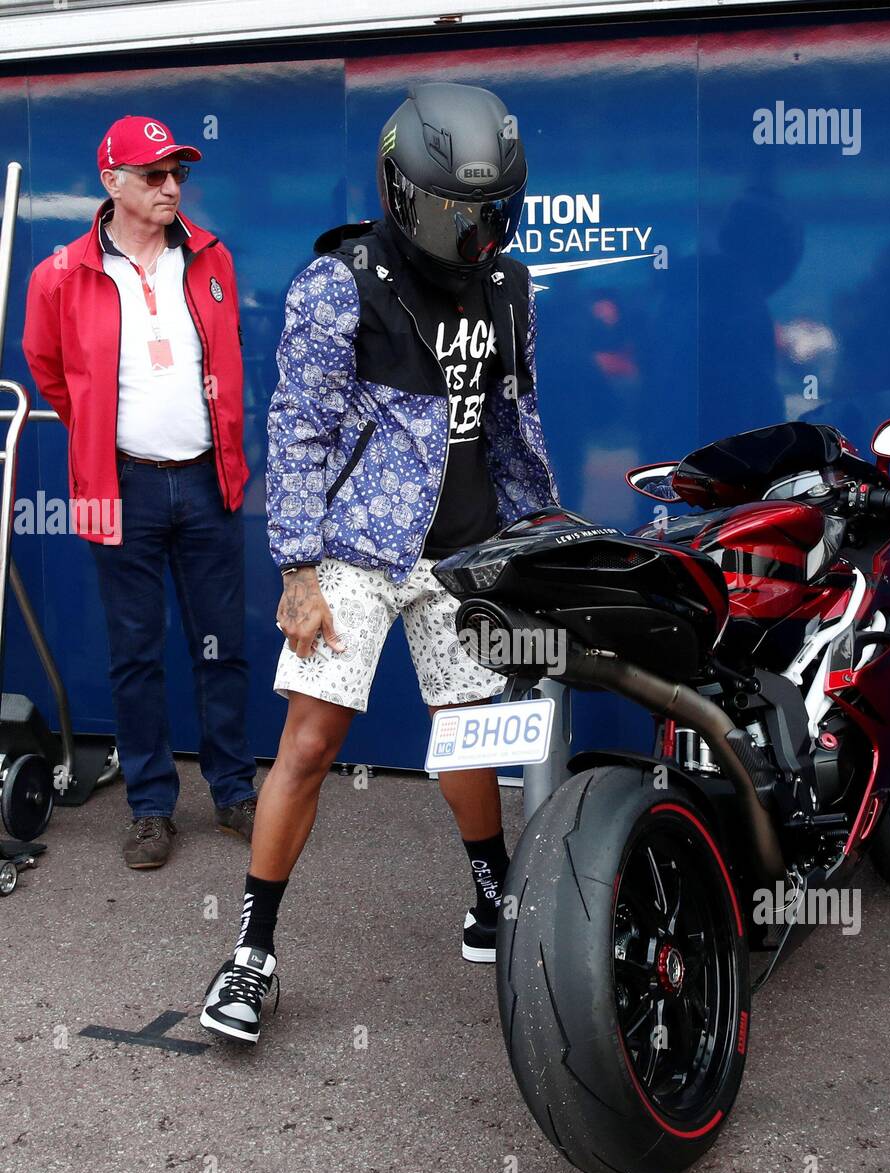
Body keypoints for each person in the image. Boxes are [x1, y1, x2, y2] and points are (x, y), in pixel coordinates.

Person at [200, 81, 559, 1044]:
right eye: (455, 211)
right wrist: (297, 571)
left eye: (490, 211)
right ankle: (250, 954)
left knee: (468, 735)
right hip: (353, 554)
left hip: (463, 554)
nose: (475, 230)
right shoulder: (340, 282)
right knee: (309, 745)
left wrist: (548, 532)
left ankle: (494, 898)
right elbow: (300, 430)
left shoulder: (508, 287)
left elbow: (516, 431)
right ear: (403, 192)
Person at [23, 115, 258, 869]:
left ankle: (231, 790)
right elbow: (47, 368)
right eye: (155, 175)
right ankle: (151, 807)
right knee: (134, 654)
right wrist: (96, 432)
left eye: (177, 174)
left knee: (220, 648)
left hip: (207, 478)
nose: (171, 187)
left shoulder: (209, 257)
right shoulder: (60, 274)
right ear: (112, 181)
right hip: (114, 485)